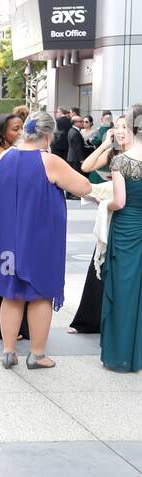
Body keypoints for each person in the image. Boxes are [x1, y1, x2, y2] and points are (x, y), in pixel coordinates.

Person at [0, 111, 91, 369]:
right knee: (40, 295)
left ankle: (9, 352)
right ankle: (36, 354)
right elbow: (83, 186)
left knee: (10, 295)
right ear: (47, 135)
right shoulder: (49, 161)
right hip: (38, 240)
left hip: (6, 242)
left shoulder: (3, 158)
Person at [69, 118, 129, 334]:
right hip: (112, 212)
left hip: (126, 213)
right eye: (117, 126)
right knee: (100, 262)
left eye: (125, 126)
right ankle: (90, 320)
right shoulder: (115, 151)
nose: (120, 131)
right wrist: (105, 144)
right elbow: (86, 166)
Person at [101, 104, 142, 372]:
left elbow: (120, 201)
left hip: (127, 228)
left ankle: (122, 353)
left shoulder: (121, 161)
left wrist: (105, 204)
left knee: (125, 291)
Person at [0, 112, 29, 339]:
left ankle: (11, 324)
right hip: (4, 224)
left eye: (22, 128)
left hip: (10, 221)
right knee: (5, 271)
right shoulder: (1, 157)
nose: (20, 133)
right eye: (15, 129)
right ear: (2, 134)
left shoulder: (10, 154)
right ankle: (2, 325)